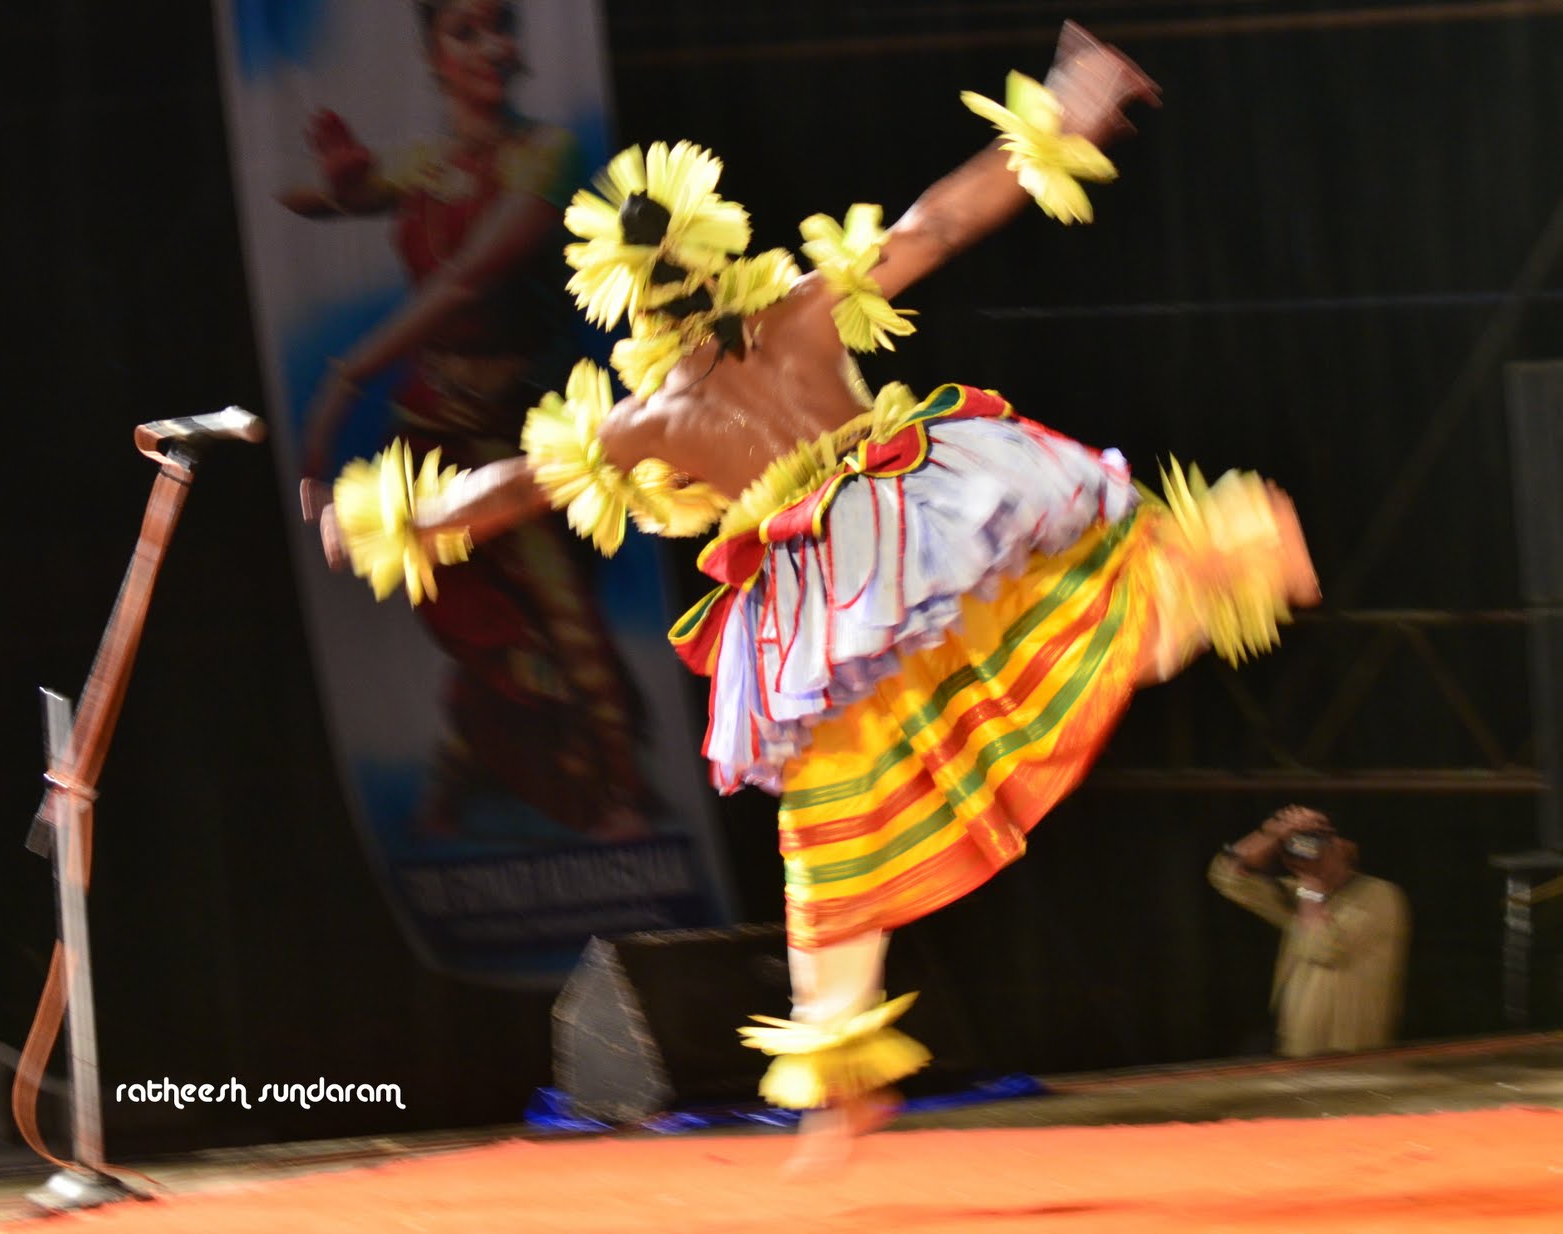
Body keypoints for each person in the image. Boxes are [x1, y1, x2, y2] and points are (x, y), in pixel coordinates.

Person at [309, 21, 1322, 1166]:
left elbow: (514, 488)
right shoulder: (797, 306)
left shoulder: (652, 417)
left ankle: (838, 1080)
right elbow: (936, 223)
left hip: (837, 582)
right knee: (1043, 597)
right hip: (911, 516)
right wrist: (1061, 111)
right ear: (715, 246)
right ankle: (1223, 558)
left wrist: (395, 518)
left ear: (627, 300)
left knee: (826, 822)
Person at [279, 0, 650, 841]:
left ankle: (620, 793)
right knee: (475, 628)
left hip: (522, 438)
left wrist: (346, 376)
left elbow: (469, 279)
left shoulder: (547, 154)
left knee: (561, 618)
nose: (491, 47)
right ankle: (468, 769)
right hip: (429, 432)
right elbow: (304, 199)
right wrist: (338, 182)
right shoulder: (427, 162)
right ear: (433, 55)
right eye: (466, 32)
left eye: (501, 27)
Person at [1209, 805, 1410, 1058]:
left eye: (1319, 838)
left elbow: (1323, 949)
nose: (1307, 847)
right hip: (1298, 1048)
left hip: (1351, 1053)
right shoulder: (1301, 894)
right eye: (1299, 841)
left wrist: (1312, 883)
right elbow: (1227, 878)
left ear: (1348, 848)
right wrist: (1272, 834)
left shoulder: (1381, 895)